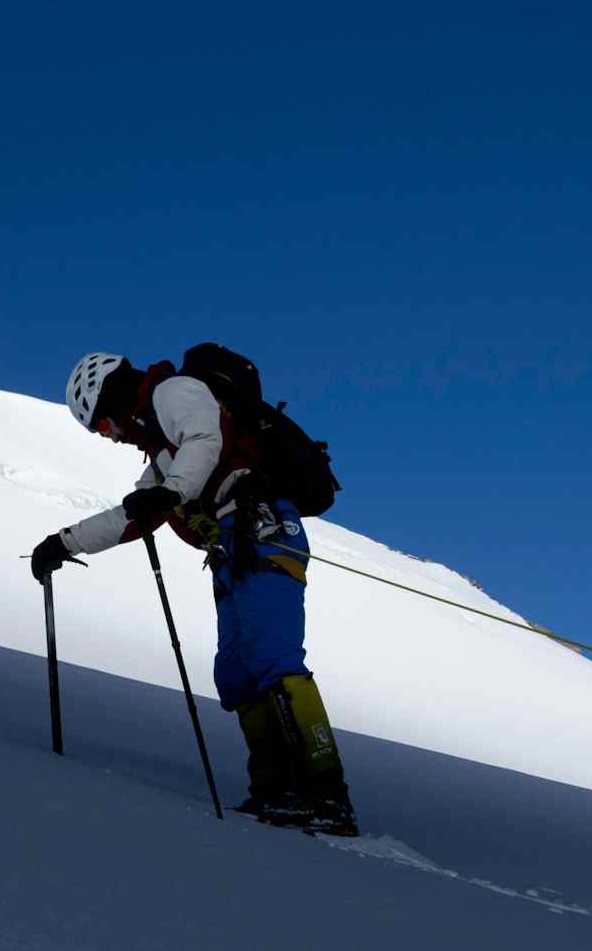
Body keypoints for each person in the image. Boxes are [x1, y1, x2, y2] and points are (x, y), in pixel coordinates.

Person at [30, 350, 358, 837]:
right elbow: (132, 514)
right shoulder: (161, 452)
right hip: (232, 546)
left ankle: (326, 795)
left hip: (266, 529)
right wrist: (64, 542)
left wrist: (172, 491)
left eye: (102, 426)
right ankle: (276, 789)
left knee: (272, 655)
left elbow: (206, 438)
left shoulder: (175, 392)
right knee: (236, 671)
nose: (111, 437)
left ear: (110, 399)